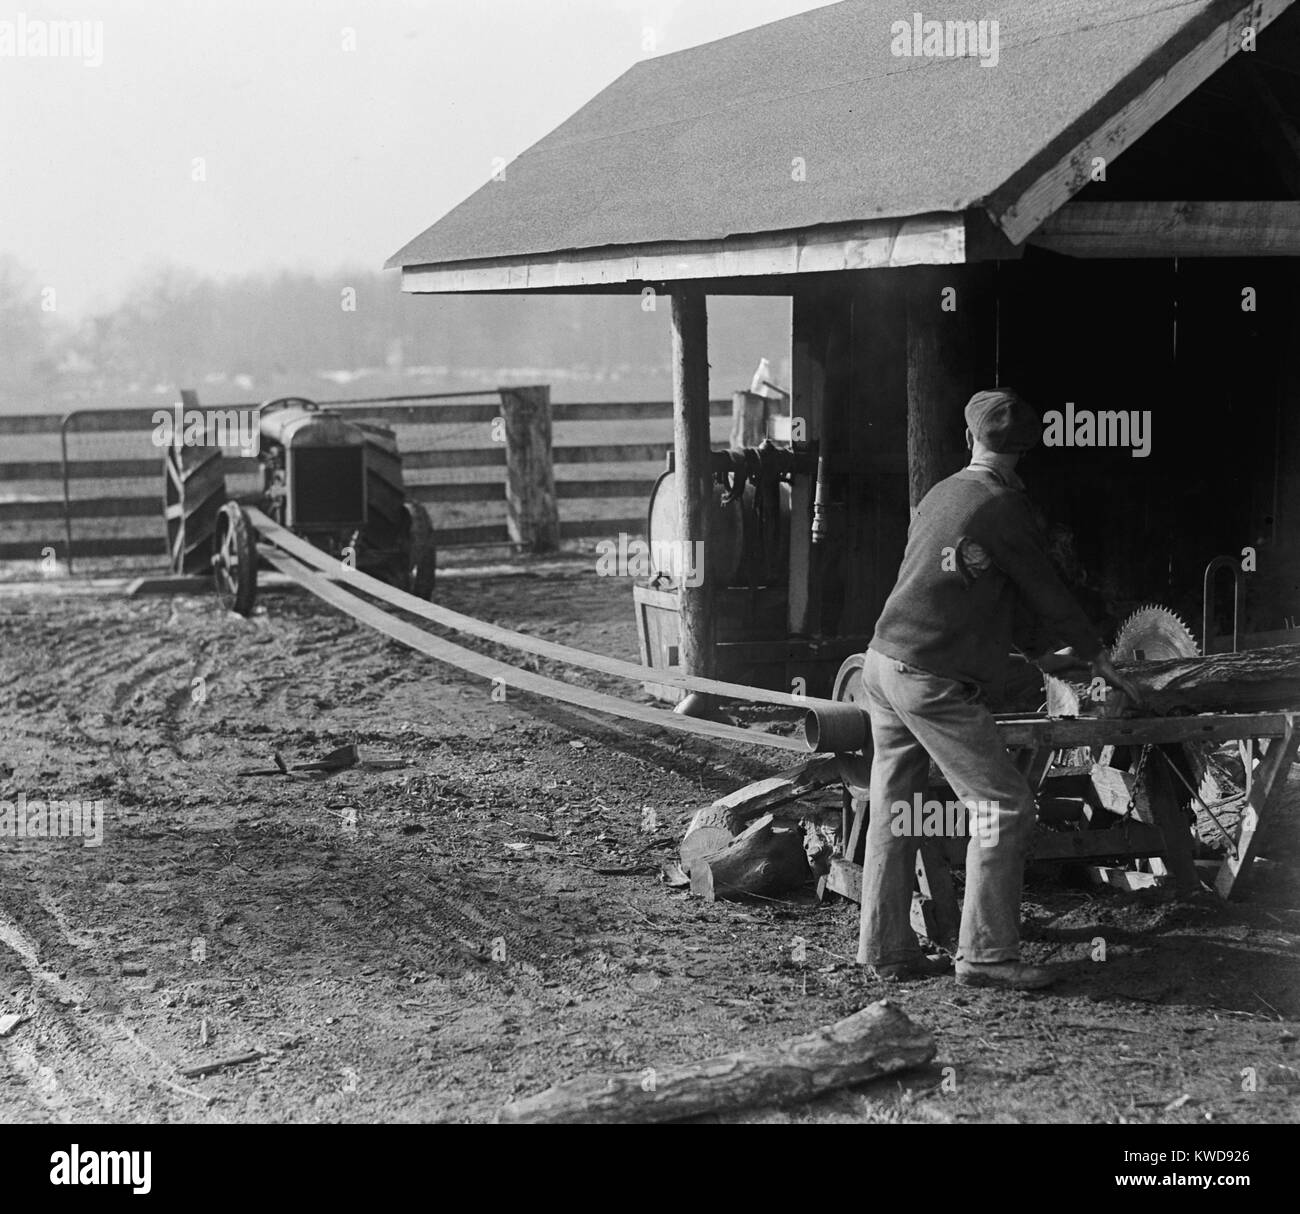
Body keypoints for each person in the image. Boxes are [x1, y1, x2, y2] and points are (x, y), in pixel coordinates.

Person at [857, 388, 1141, 990]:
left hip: (882, 665)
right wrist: (1098, 657)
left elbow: (980, 592)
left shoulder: (943, 494)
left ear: (969, 438)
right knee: (1004, 805)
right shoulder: (1003, 507)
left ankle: (886, 952)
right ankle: (985, 959)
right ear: (1025, 449)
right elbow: (1045, 590)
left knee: (900, 810)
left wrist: (1043, 656)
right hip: (930, 677)